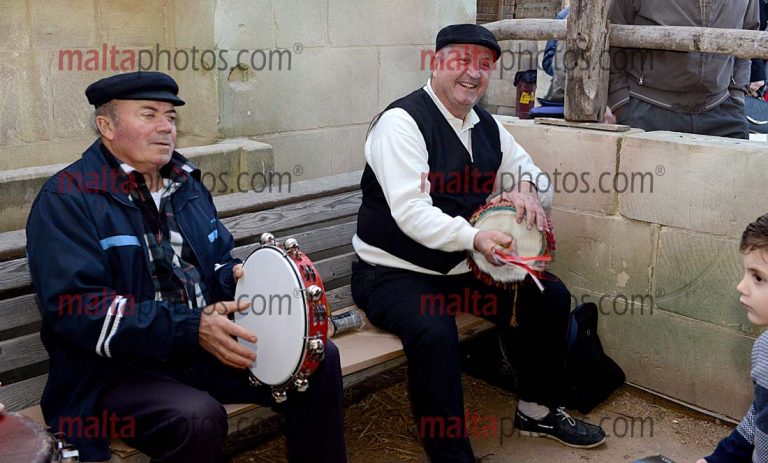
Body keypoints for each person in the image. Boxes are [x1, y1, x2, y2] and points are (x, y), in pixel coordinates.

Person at [26, 71, 346, 463]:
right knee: (196, 418)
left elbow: (217, 260)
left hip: (200, 349)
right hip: (115, 372)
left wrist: (235, 278)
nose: (166, 127)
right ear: (106, 126)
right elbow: (81, 311)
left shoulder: (185, 185)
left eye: (170, 117)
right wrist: (190, 327)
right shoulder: (67, 199)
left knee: (318, 359)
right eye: (149, 115)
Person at [351, 24, 606, 463]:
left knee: (549, 296)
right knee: (435, 332)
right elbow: (411, 212)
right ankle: (451, 455)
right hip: (393, 273)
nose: (473, 73)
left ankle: (537, 410)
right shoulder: (401, 123)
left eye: (484, 65)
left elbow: (536, 177)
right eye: (462, 61)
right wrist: (475, 237)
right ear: (436, 63)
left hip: (462, 268)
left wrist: (526, 188)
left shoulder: (486, 125)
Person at [605, 0, 759, 138]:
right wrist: (619, 101)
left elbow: (748, 33)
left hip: (722, 109)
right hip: (648, 107)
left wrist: (737, 96)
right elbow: (613, 30)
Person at [697, 213, 768, 462]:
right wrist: (719, 459)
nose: (741, 286)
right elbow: (760, 414)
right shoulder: (765, 347)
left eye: (758, 277)